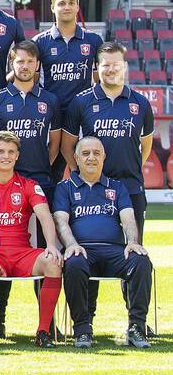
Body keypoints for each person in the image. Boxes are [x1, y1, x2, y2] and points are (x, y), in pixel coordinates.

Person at [0, 40, 62, 336]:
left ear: (37, 65)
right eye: (19, 61)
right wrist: (1, 176)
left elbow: (54, 146)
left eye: (30, 61)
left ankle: (47, 323)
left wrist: (38, 171)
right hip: (3, 185)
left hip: (40, 182)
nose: (24, 66)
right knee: (4, 249)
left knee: (43, 252)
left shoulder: (50, 100)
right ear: (11, 65)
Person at [0, 132, 64, 348]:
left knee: (53, 263)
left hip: (22, 254)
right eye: (0, 151)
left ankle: (43, 331)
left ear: (17, 156)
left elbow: (45, 216)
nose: (5, 156)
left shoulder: (28, 184)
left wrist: (52, 246)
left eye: (10, 152)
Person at [52, 136, 153, 349]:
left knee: (141, 261)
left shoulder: (117, 187)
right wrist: (71, 245)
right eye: (86, 153)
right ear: (76, 158)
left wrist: (132, 242)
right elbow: (61, 221)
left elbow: (128, 217)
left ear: (104, 157)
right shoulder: (65, 187)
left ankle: (136, 327)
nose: (91, 158)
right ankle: (82, 329)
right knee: (74, 262)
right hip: (83, 251)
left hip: (114, 252)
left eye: (96, 153)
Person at [61, 42, 154, 240]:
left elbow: (145, 147)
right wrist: (81, 174)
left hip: (131, 186)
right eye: (105, 65)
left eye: (116, 64)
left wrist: (131, 167)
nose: (111, 69)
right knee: (93, 249)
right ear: (96, 67)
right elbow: (67, 146)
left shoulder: (141, 103)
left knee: (134, 250)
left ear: (125, 66)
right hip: (92, 188)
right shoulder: (81, 102)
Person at [34, 0, 101, 179]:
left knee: (83, 171)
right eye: (61, 3)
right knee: (50, 173)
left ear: (78, 7)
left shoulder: (93, 41)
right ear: (52, 7)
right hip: (51, 116)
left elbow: (99, 79)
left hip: (82, 117)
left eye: (71, 3)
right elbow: (34, 80)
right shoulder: (40, 42)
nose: (67, 7)